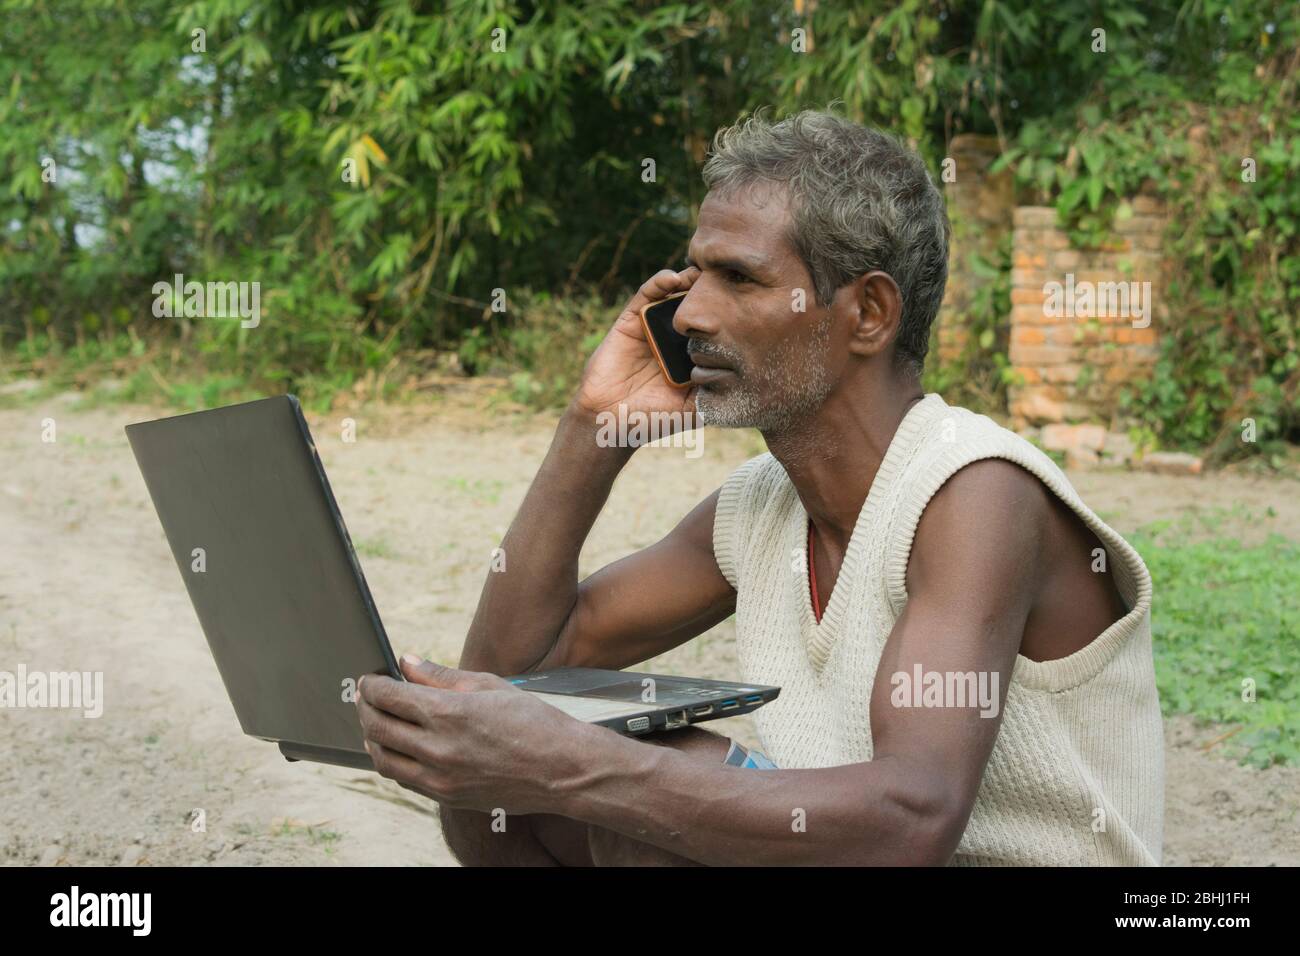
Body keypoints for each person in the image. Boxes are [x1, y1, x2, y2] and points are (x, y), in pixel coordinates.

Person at [356, 109, 1164, 866]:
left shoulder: (976, 491)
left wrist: (571, 762)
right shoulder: (761, 505)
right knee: (495, 793)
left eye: (738, 279)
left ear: (869, 313)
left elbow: (915, 812)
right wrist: (590, 429)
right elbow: (514, 671)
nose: (688, 315)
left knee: (582, 767)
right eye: (693, 274)